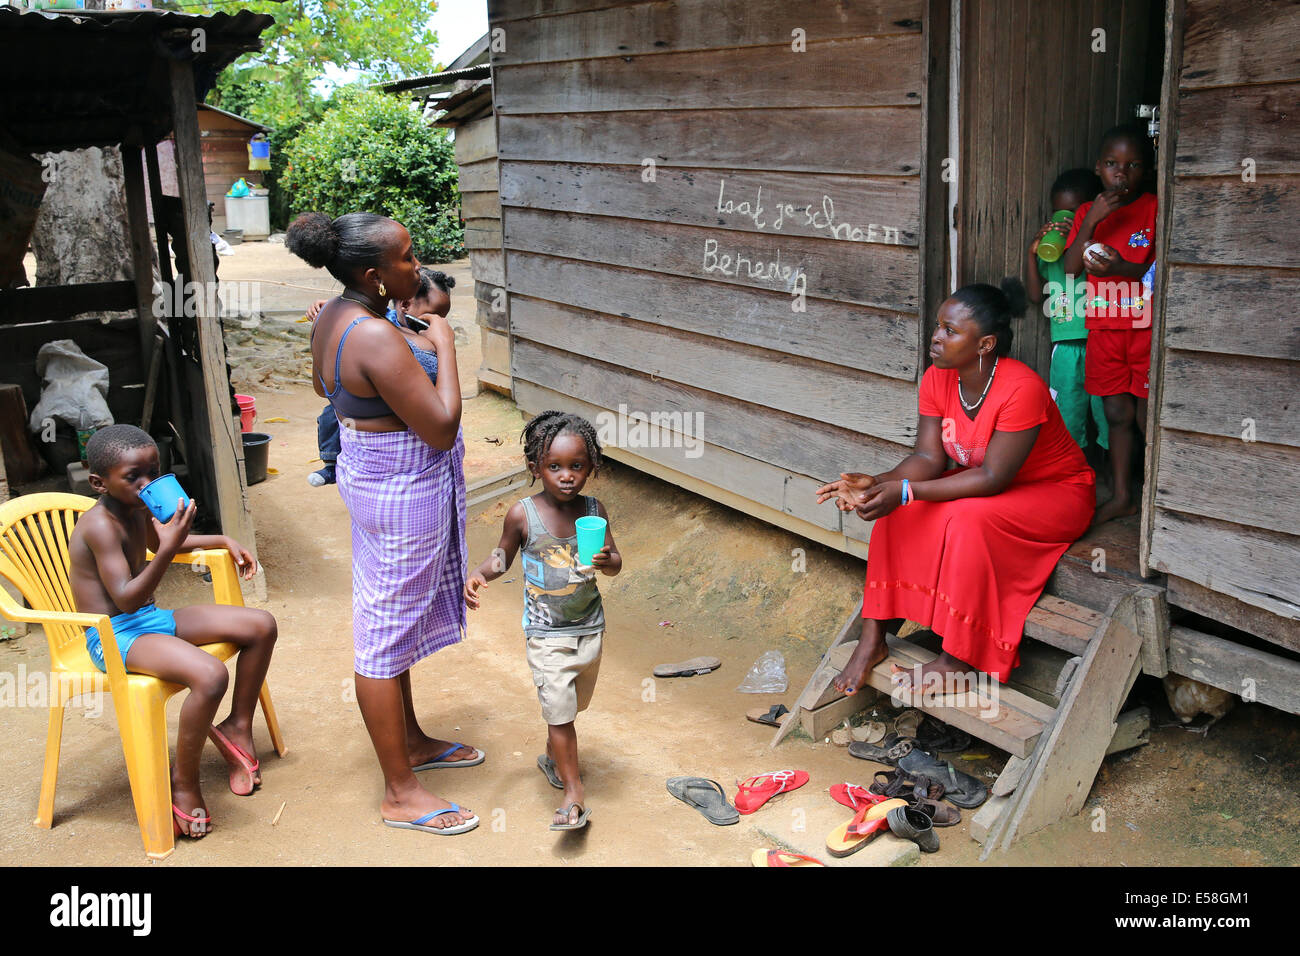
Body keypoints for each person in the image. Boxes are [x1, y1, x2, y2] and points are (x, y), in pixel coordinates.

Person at [286, 211, 479, 836]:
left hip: (370, 482)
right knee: (384, 635)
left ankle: (413, 743)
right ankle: (400, 790)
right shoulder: (372, 335)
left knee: (388, 617)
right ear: (374, 274)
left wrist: (404, 333)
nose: (416, 267)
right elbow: (441, 426)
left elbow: (324, 387)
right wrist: (445, 347)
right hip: (403, 495)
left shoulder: (336, 317)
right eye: (406, 258)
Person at [817, 280, 1095, 694]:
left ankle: (958, 659)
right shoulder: (938, 378)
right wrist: (879, 483)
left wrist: (906, 490)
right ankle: (872, 640)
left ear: (984, 345)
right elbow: (929, 459)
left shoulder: (1021, 389)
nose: (936, 337)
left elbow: (991, 478)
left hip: (1055, 493)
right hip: (988, 487)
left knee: (966, 519)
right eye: (937, 326)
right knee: (900, 513)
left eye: (950, 330)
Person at [68, 424, 277, 839]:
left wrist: (221, 539)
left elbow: (162, 544)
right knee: (211, 674)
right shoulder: (99, 526)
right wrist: (166, 547)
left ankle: (237, 726)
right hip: (114, 636)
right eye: (134, 477)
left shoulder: (136, 507)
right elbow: (126, 598)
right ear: (98, 482)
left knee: (260, 625)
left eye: (153, 471)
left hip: (149, 619)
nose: (147, 485)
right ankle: (184, 781)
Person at [464, 411, 621, 831]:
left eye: (577, 466)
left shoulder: (594, 510)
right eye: (554, 467)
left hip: (589, 626)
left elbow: (615, 561)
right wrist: (480, 573)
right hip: (546, 633)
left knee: (575, 703)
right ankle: (574, 794)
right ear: (535, 467)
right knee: (560, 713)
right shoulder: (522, 515)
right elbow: (503, 556)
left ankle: (554, 758)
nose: (566, 476)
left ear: (591, 467)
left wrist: (608, 561)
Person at [1061, 124, 1158, 525]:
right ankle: (1122, 497)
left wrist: (1122, 268)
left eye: (1133, 164)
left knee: (1146, 417)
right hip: (1103, 330)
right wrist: (1091, 221)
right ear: (1099, 168)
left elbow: (1159, 268)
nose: (1122, 173)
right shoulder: (1089, 212)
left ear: (1146, 169)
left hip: (1145, 330)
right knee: (1116, 414)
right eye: (1113, 165)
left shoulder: (1155, 206)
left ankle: (1157, 499)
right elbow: (1068, 267)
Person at [306, 268, 457, 487]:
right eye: (431, 316)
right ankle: (330, 460)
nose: (438, 323)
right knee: (331, 413)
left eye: (443, 317)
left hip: (408, 433)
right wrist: (326, 309)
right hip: (381, 443)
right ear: (404, 305)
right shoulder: (380, 324)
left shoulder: (431, 339)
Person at [1026, 167, 1108, 454]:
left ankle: (1113, 471)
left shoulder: (1099, 246)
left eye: (1074, 212)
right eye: (1059, 213)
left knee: (1107, 414)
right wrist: (1032, 252)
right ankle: (1075, 469)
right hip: (1065, 347)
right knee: (1068, 414)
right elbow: (1035, 296)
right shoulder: (1053, 252)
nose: (1065, 220)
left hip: (1100, 342)